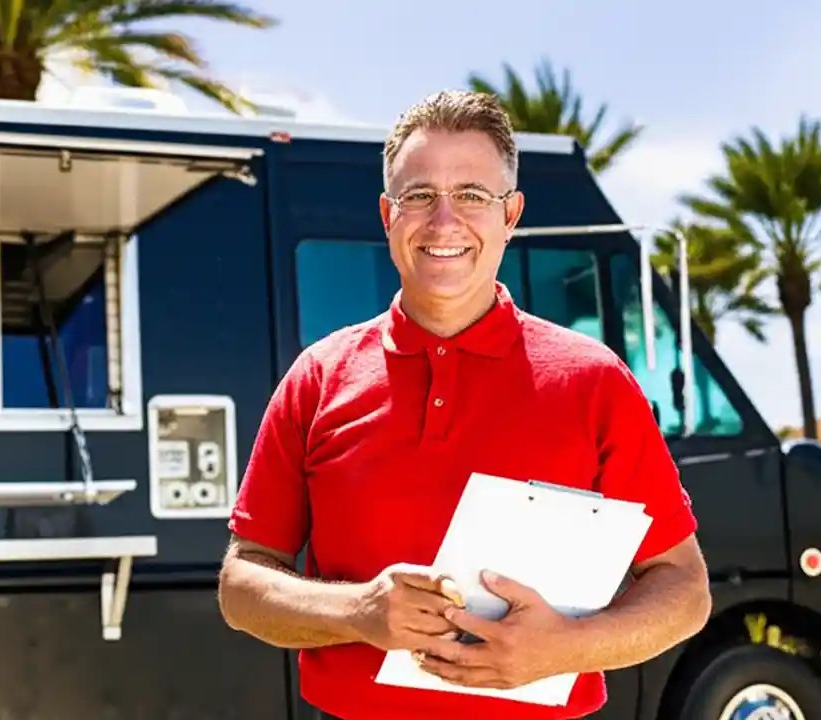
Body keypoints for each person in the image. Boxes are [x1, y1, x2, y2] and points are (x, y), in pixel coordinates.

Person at [216, 89, 712, 720]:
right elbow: (242, 584)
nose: (444, 222)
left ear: (511, 214)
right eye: (419, 196)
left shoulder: (595, 382)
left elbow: (684, 588)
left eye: (473, 196)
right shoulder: (317, 378)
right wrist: (359, 611)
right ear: (386, 215)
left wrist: (565, 648)